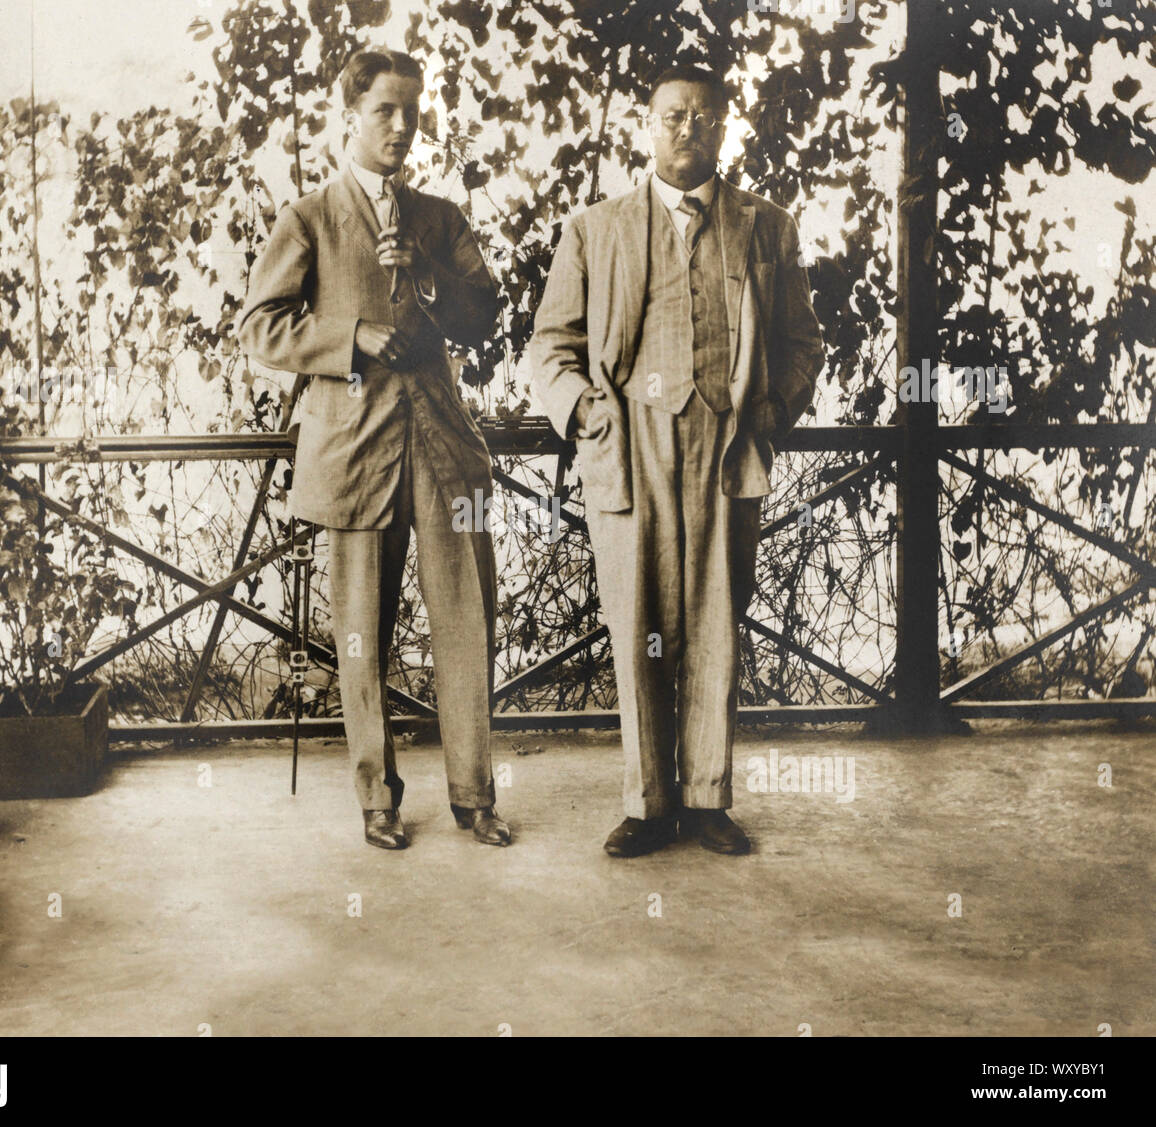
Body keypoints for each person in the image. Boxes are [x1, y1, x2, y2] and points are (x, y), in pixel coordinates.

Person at [527, 63, 825, 858]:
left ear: (723, 125)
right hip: (630, 445)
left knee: (715, 622)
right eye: (670, 114)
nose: (685, 127)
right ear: (647, 125)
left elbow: (804, 344)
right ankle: (648, 801)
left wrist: (768, 416)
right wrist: (583, 410)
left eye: (701, 114)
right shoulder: (595, 229)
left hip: (726, 447)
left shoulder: (767, 225)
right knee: (638, 623)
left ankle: (708, 799)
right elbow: (549, 346)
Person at [238, 48, 510, 850]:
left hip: (442, 446)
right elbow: (260, 326)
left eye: (411, 111)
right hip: (354, 450)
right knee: (361, 631)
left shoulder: (440, 218)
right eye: (385, 110)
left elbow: (483, 316)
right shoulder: (309, 218)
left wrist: (425, 276)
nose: (402, 125)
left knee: (467, 620)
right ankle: (376, 798)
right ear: (349, 114)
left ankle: (475, 796)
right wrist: (352, 335)